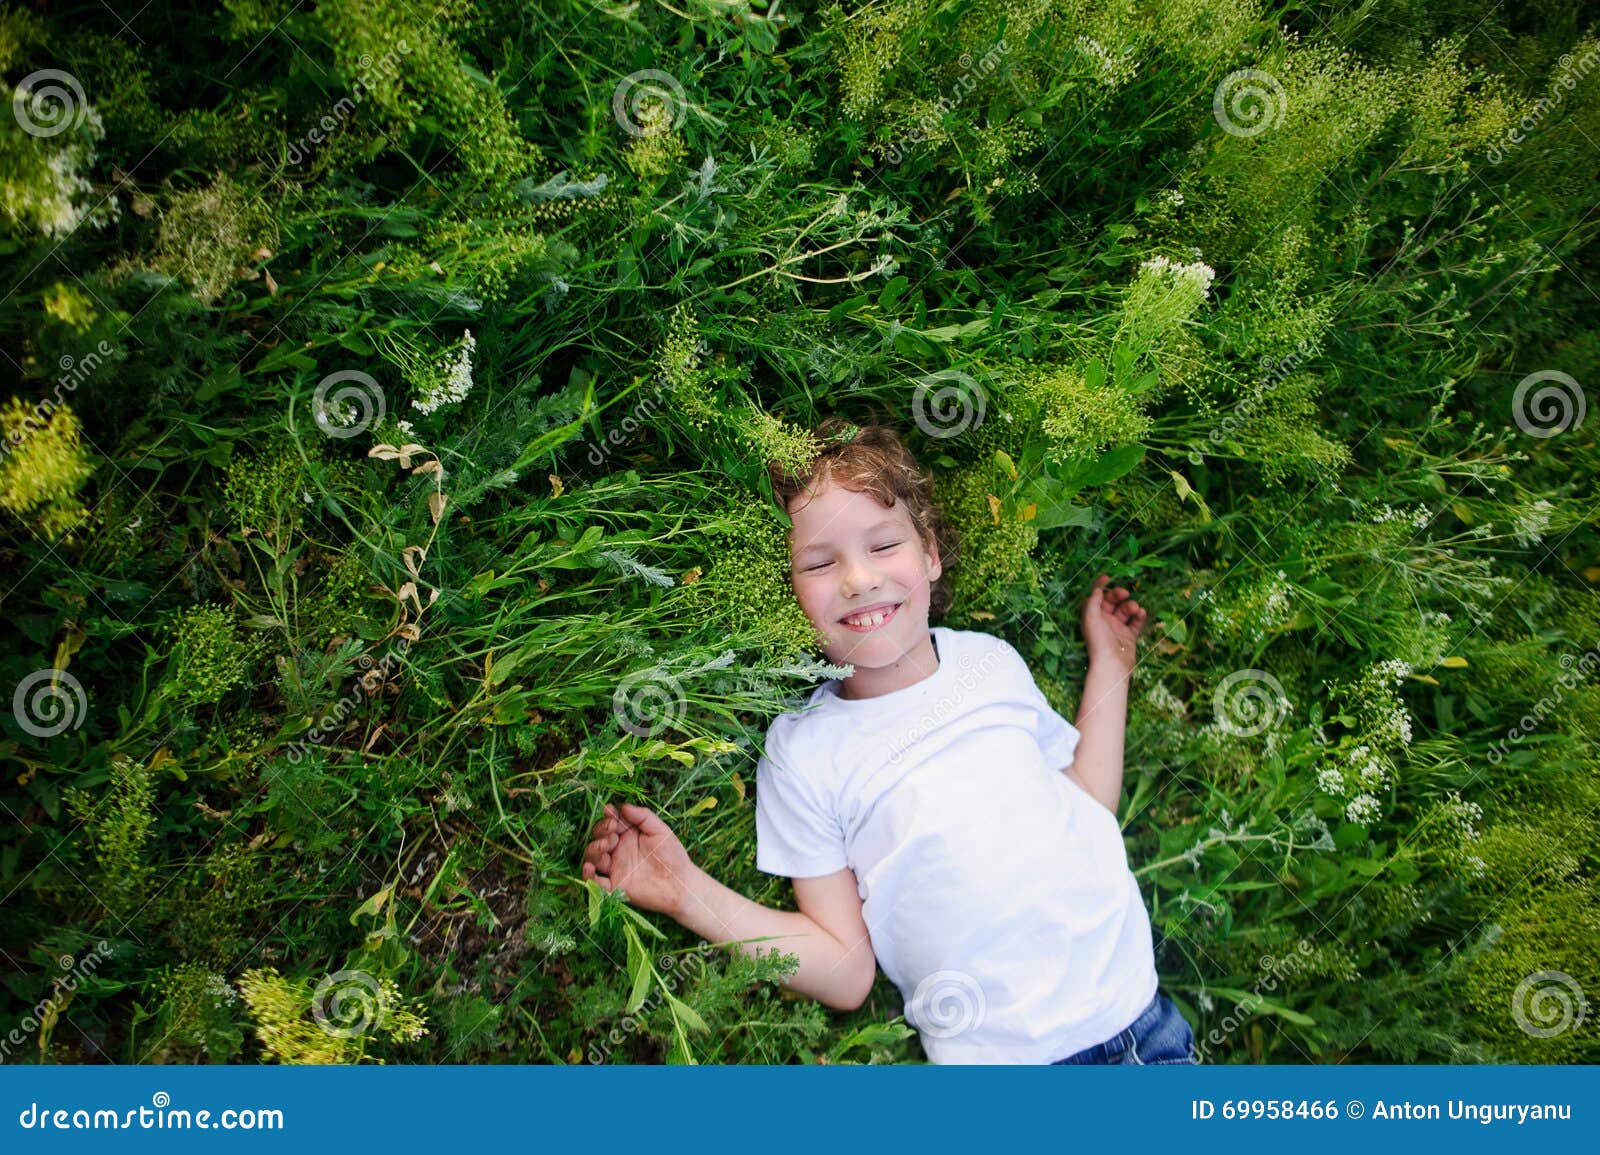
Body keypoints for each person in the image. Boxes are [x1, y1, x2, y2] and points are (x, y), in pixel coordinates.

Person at [581, 417, 1196, 1064]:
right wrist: (684, 890)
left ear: (929, 551)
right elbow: (846, 970)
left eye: (882, 546)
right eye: (819, 561)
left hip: (1147, 1028)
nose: (858, 578)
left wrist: (1111, 669)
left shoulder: (991, 662)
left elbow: (1086, 798)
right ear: (789, 597)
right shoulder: (806, 751)